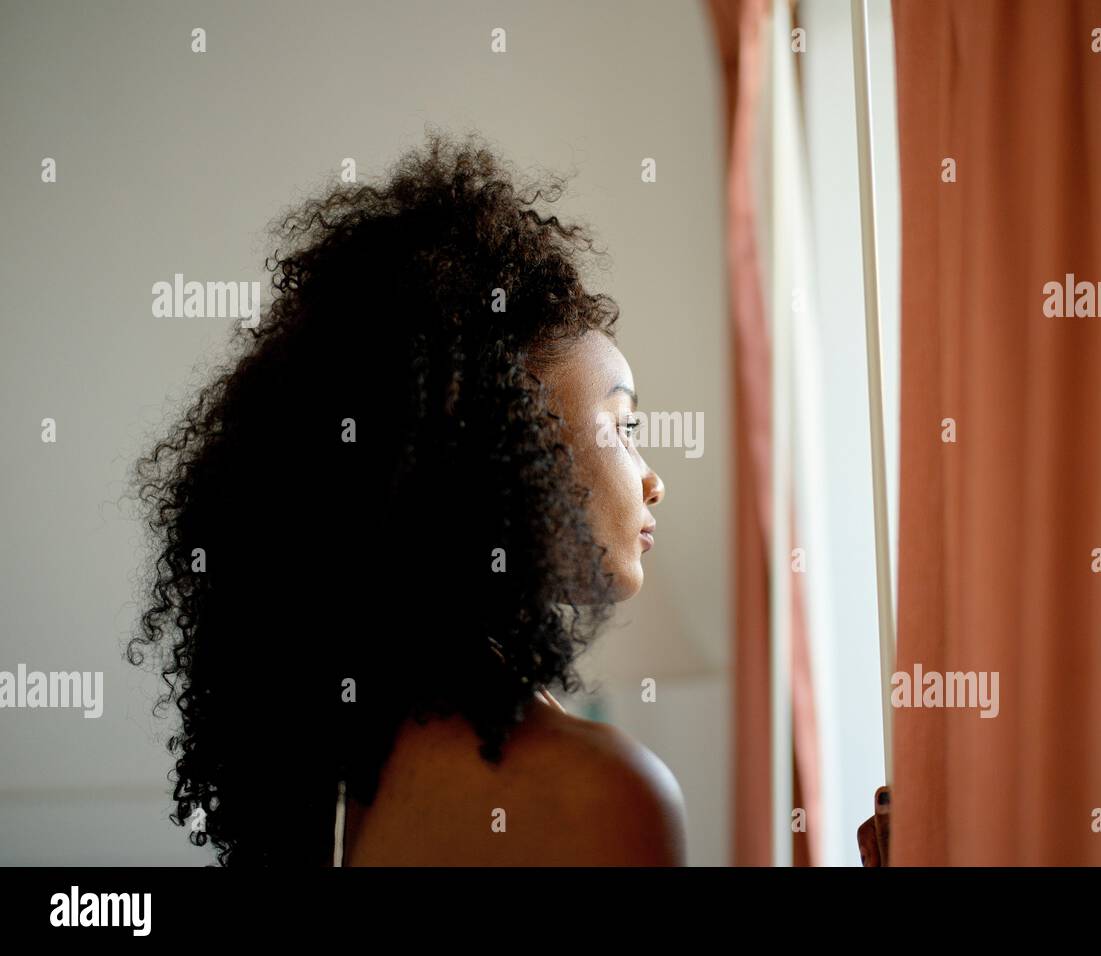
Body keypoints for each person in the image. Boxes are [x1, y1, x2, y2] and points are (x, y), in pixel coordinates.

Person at [128, 130, 684, 866]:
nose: (654, 479)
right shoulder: (603, 791)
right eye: (623, 426)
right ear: (505, 452)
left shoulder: (344, 776)